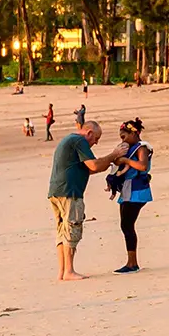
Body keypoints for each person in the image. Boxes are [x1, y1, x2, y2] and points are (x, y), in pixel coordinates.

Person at [47, 120, 121, 281]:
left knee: (62, 231)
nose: (96, 142)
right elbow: (94, 165)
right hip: (69, 192)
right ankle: (69, 271)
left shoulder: (70, 139)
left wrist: (109, 163)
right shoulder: (79, 141)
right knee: (72, 228)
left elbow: (87, 169)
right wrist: (114, 155)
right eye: (96, 138)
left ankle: (62, 271)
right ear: (89, 133)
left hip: (57, 191)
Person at [108, 119, 153, 274]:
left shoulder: (142, 148)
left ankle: (132, 263)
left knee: (127, 225)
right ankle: (131, 262)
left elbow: (143, 166)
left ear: (133, 133)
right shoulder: (133, 147)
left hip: (137, 190)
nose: (123, 140)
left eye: (124, 136)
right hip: (130, 190)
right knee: (126, 225)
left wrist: (125, 160)